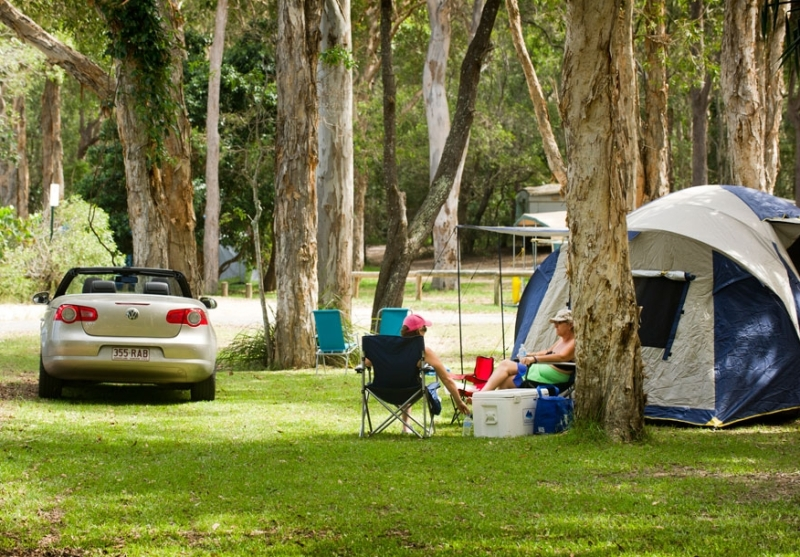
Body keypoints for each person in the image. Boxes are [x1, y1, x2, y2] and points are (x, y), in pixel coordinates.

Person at [365, 314, 471, 421]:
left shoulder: (386, 349)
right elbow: (446, 379)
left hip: (381, 390)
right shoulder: (423, 352)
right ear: (419, 331)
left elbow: (367, 363)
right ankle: (406, 428)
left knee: (401, 382)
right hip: (411, 391)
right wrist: (459, 401)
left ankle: (406, 428)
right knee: (407, 384)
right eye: (425, 329)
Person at [482, 308, 575, 391]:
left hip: (551, 377)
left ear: (570, 325)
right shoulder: (561, 340)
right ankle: (489, 402)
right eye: (555, 323)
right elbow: (547, 352)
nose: (555, 326)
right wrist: (529, 354)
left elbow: (562, 357)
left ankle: (481, 396)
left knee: (505, 364)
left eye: (559, 323)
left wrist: (534, 359)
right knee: (504, 382)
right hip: (541, 370)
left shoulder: (574, 342)